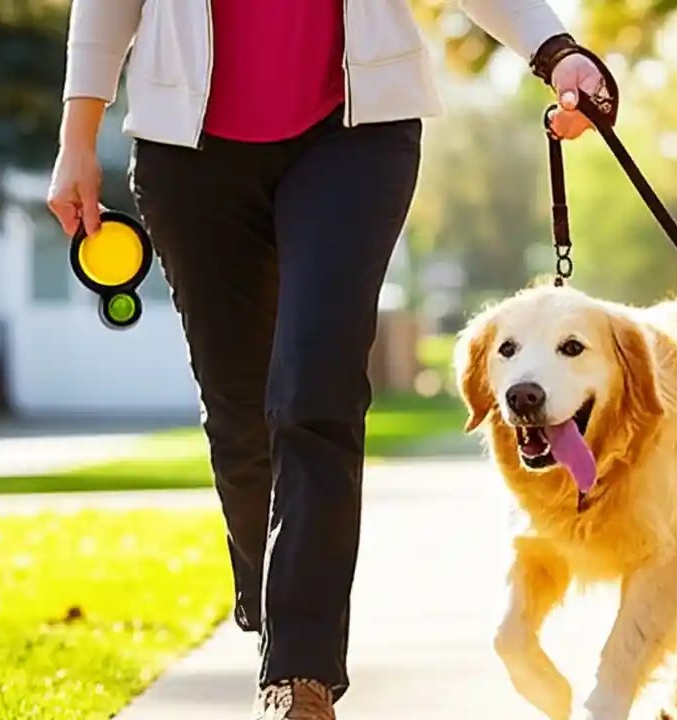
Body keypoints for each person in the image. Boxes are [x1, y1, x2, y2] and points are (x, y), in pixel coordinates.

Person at [47, 2, 610, 718]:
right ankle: (273, 605)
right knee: (241, 417)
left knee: (315, 394)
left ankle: (300, 674)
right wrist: (78, 138)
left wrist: (556, 51)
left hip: (353, 136)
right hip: (190, 153)